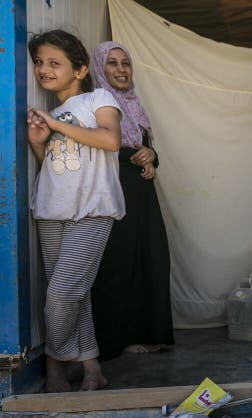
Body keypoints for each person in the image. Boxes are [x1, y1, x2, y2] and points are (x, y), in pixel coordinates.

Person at [26, 30, 124, 392]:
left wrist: (53, 125)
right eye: (38, 62)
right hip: (51, 210)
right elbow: (53, 166)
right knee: (73, 294)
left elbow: (110, 139)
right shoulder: (51, 114)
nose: (43, 69)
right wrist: (39, 144)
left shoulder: (98, 98)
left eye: (54, 63)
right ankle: (91, 369)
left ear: (80, 69)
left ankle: (55, 365)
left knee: (61, 295)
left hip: (93, 210)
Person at [90, 41, 174, 360]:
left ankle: (148, 334)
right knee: (117, 263)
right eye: (112, 63)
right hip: (112, 190)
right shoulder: (95, 105)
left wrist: (152, 157)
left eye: (125, 63)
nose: (121, 69)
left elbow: (148, 151)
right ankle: (113, 341)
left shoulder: (134, 106)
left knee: (151, 258)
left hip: (142, 193)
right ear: (100, 67)